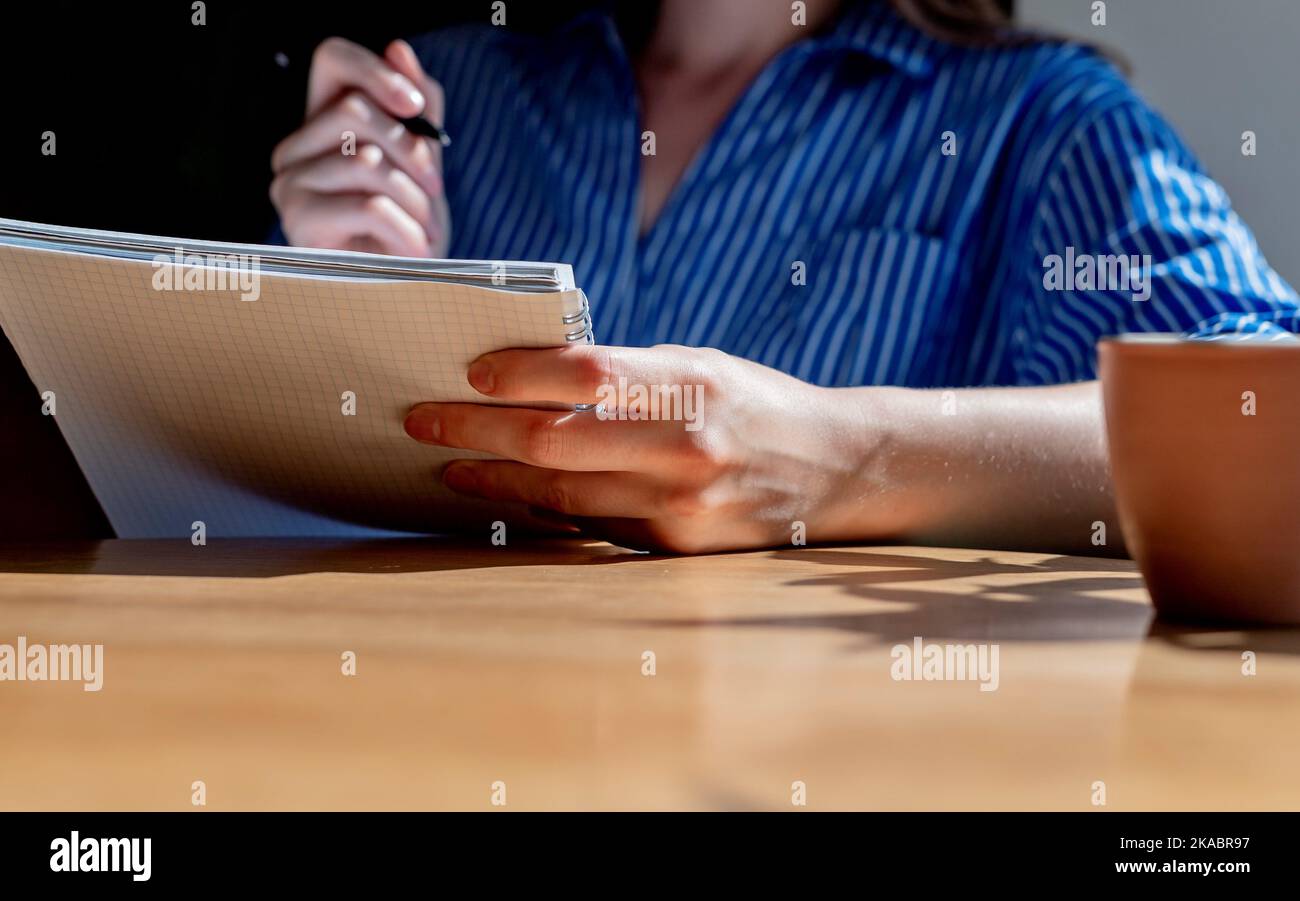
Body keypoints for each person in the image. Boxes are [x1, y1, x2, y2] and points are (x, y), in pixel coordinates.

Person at [269, 0, 1299, 554]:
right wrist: (352, 318)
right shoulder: (453, 98)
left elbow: (1271, 440)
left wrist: (842, 458)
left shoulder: (1035, 124)